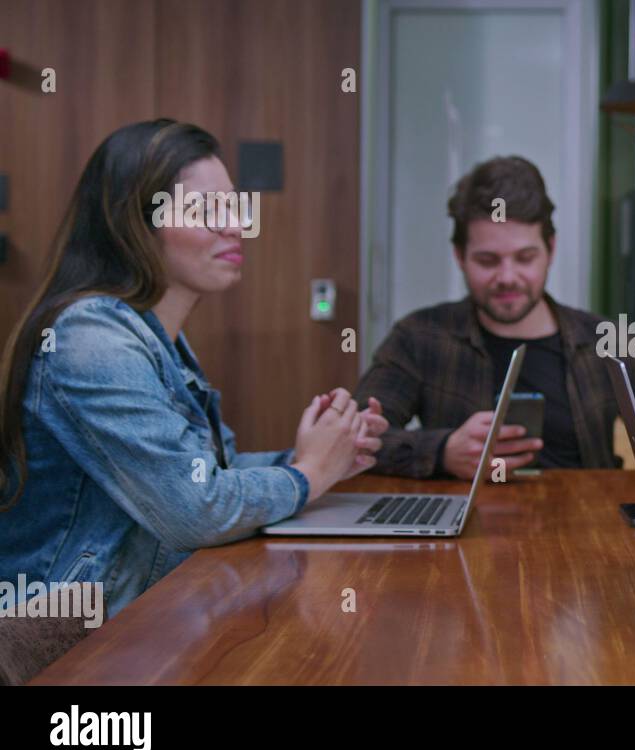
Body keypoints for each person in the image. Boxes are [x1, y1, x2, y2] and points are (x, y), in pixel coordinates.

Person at [0, 119, 386, 619]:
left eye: (237, 207)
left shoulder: (154, 333)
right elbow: (199, 510)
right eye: (207, 210)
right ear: (134, 224)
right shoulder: (90, 340)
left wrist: (326, 453)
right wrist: (306, 474)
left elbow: (208, 473)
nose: (237, 226)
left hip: (142, 612)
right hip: (67, 637)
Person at [355, 155, 635, 479]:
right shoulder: (419, 337)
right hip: (462, 530)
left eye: (525, 258)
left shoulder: (608, 340)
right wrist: (441, 452)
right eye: (488, 260)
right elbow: (358, 436)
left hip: (585, 529)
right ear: (460, 256)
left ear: (550, 250)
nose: (507, 277)